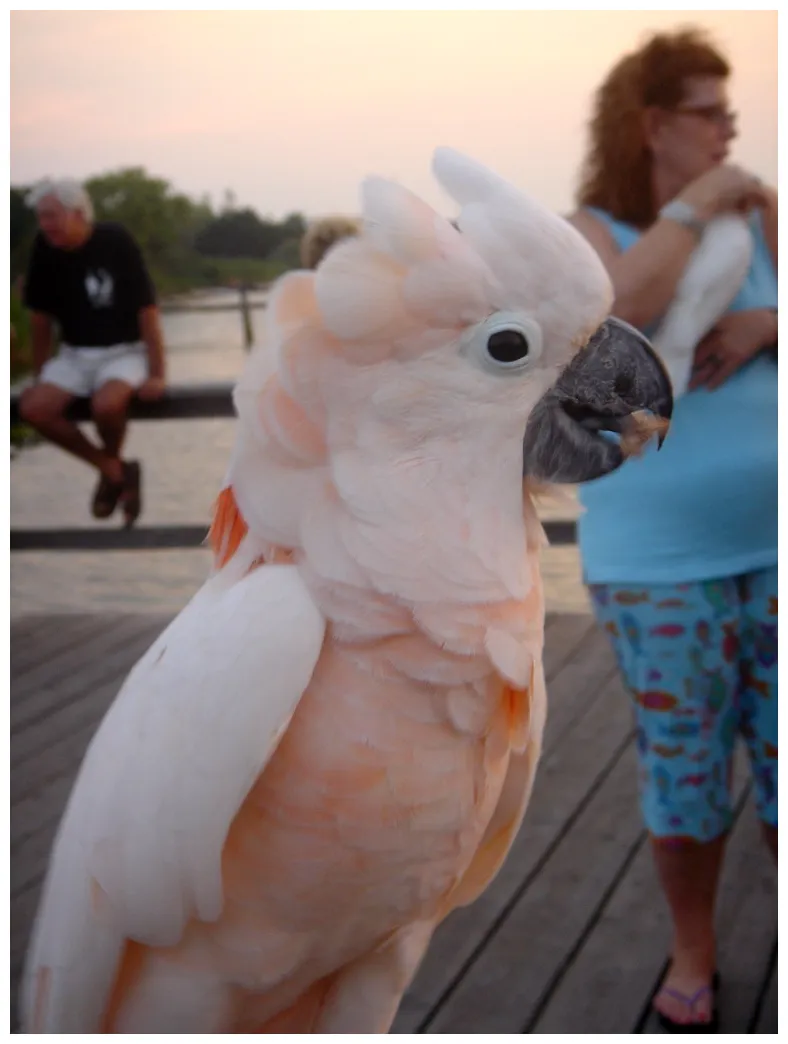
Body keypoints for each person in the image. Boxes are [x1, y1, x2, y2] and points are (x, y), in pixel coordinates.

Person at [567, 29, 777, 1031]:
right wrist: (698, 205)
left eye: (730, 114)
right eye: (711, 113)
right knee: (685, 777)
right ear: (654, 125)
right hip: (657, 563)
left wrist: (766, 324)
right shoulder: (586, 230)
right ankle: (692, 951)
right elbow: (617, 313)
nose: (730, 130)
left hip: (777, 546)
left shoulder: (761, 219)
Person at [18, 178, 167, 526]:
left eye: (52, 216)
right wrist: (40, 377)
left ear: (79, 213)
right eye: (41, 217)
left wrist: (158, 373)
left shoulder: (115, 241)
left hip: (124, 351)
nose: (45, 225)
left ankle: (110, 472)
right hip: (74, 353)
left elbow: (148, 311)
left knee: (107, 404)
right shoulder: (45, 248)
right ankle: (113, 469)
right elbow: (40, 320)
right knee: (34, 409)